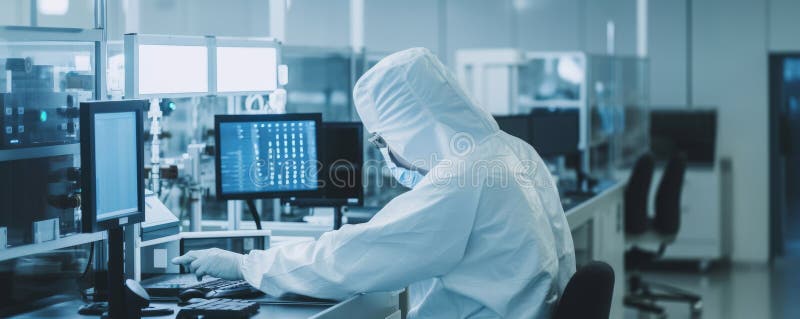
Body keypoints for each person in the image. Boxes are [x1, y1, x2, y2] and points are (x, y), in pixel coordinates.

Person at [173, 48, 576, 318]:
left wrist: (244, 264)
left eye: (383, 140)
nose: (386, 154)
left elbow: (355, 257)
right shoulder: (512, 150)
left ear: (412, 128)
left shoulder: (461, 176)